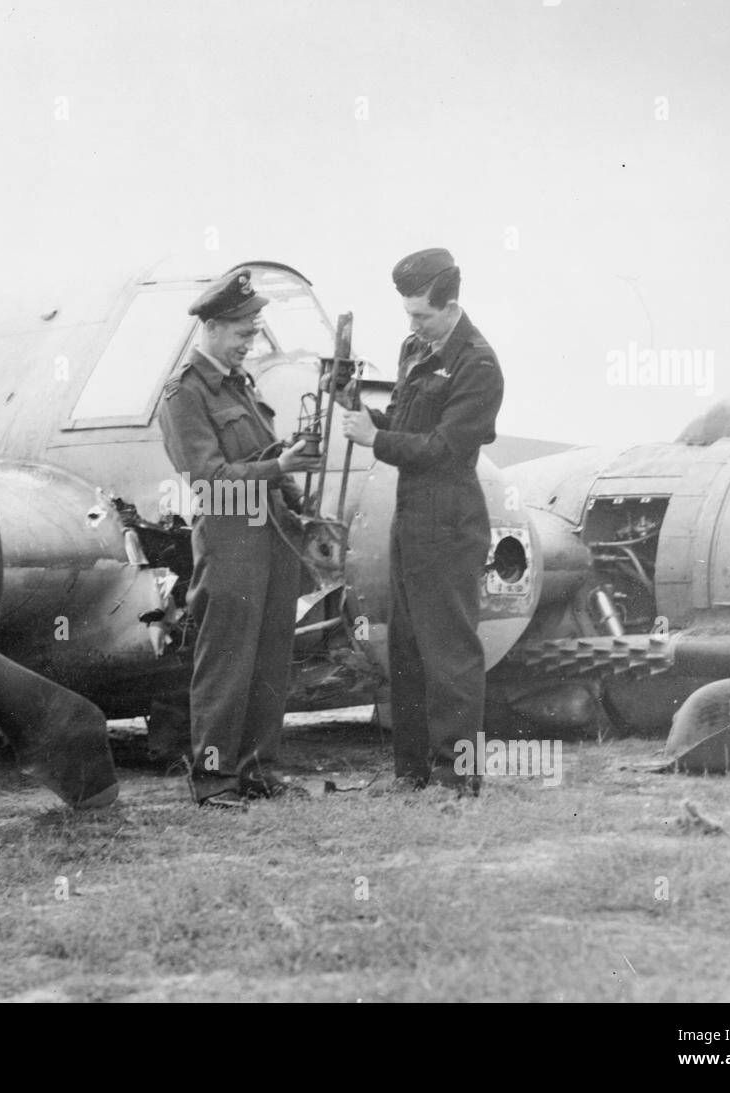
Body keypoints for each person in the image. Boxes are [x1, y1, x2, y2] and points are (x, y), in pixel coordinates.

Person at [340, 248, 504, 794]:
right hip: (411, 516)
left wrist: (376, 440)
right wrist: (370, 417)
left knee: (450, 653)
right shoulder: (417, 347)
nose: (412, 325)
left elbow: (444, 448)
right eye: (408, 313)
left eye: (422, 315)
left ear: (451, 305)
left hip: (450, 518)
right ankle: (411, 773)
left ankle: (456, 776)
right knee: (407, 649)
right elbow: (410, 424)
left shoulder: (478, 364)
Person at [157, 267, 322, 808]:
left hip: (272, 535)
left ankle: (257, 771)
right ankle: (214, 778)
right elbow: (209, 479)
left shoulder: (237, 386)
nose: (249, 344)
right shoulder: (185, 394)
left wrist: (297, 493)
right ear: (210, 327)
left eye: (253, 333)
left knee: (271, 656)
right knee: (227, 659)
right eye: (241, 334)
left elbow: (262, 455)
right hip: (230, 540)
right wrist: (279, 470)